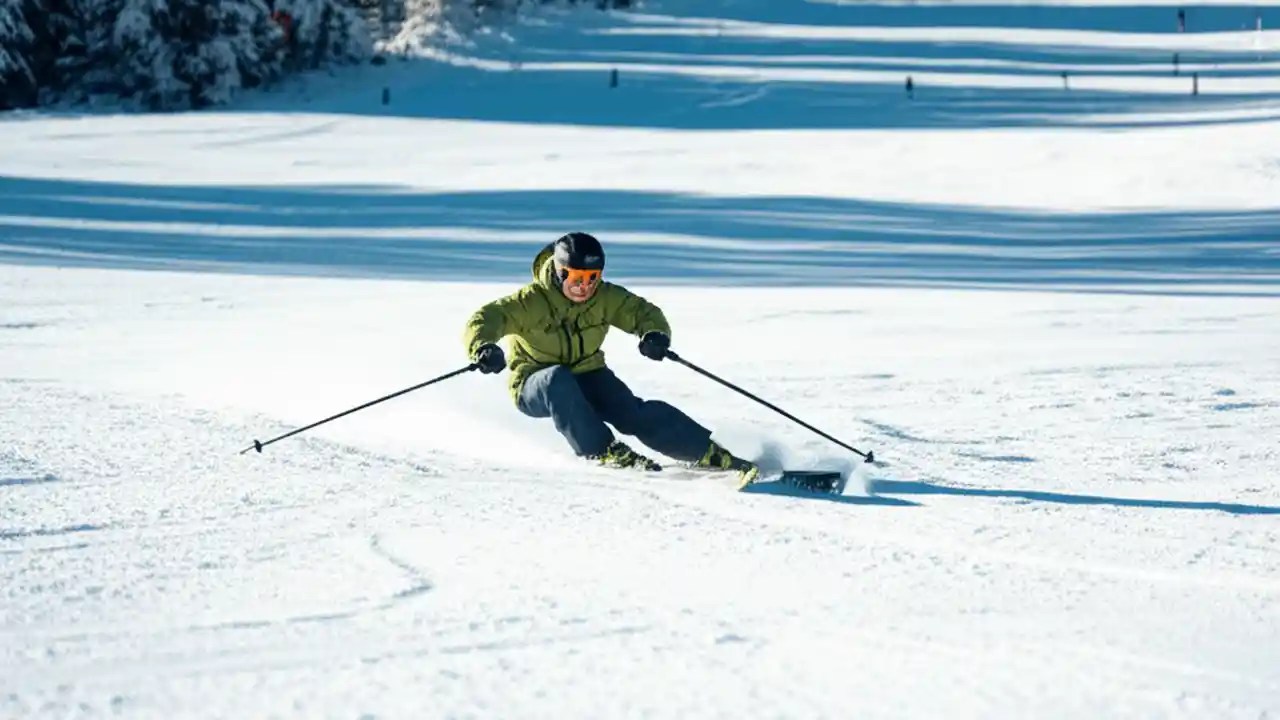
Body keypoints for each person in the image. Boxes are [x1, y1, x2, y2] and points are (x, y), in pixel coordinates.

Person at [463, 232, 759, 485]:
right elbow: (487, 318)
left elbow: (643, 312)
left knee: (631, 411)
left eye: (592, 278)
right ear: (559, 271)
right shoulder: (531, 301)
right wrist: (483, 348)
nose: (584, 287)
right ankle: (601, 450)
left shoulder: (604, 297)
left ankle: (704, 451)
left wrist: (654, 334)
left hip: (588, 372)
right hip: (534, 384)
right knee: (557, 379)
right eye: (576, 278)